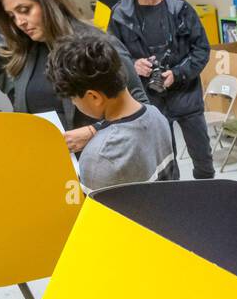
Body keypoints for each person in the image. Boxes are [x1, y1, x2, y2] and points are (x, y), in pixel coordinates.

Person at [0, 0, 151, 154]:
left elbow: (142, 108)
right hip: (53, 161)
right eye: (12, 16)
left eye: (25, 10)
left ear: (48, 2)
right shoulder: (24, 52)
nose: (19, 22)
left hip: (102, 161)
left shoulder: (95, 43)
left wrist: (94, 131)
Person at [106, 0, 214, 179]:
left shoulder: (181, 9)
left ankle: (208, 197)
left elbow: (202, 49)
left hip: (186, 96)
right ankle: (174, 205)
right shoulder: (120, 16)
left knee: (203, 159)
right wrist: (133, 65)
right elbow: (113, 56)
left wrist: (178, 73)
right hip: (150, 101)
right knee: (166, 162)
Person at [47, 33, 174, 191]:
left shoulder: (98, 157)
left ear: (94, 96)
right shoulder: (155, 115)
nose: (73, 103)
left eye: (73, 99)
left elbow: (97, 214)